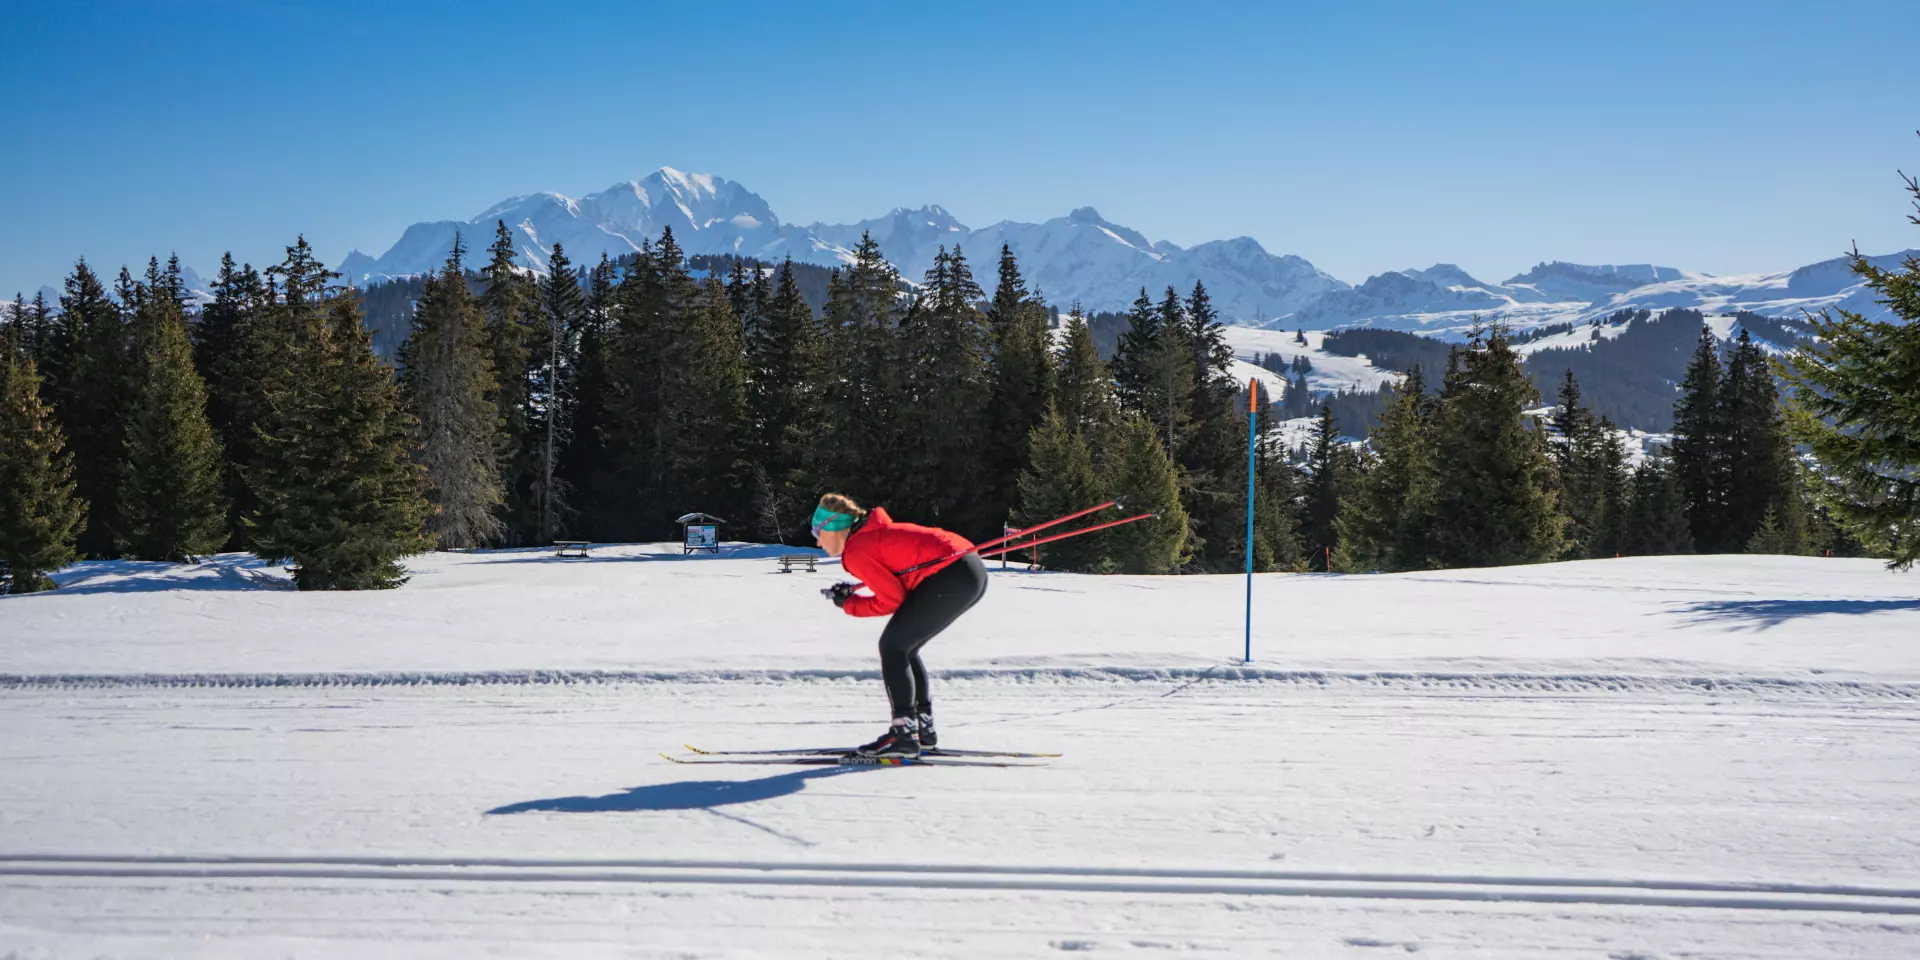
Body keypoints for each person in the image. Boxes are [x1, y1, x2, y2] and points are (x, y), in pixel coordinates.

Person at [812, 493, 989, 757]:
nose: (817, 541)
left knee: (893, 647)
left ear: (834, 528)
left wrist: (849, 605)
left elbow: (892, 599)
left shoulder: (857, 550)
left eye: (817, 531)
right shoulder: (870, 538)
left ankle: (904, 735)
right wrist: (851, 597)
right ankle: (921, 730)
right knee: (905, 648)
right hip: (968, 570)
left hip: (952, 575)